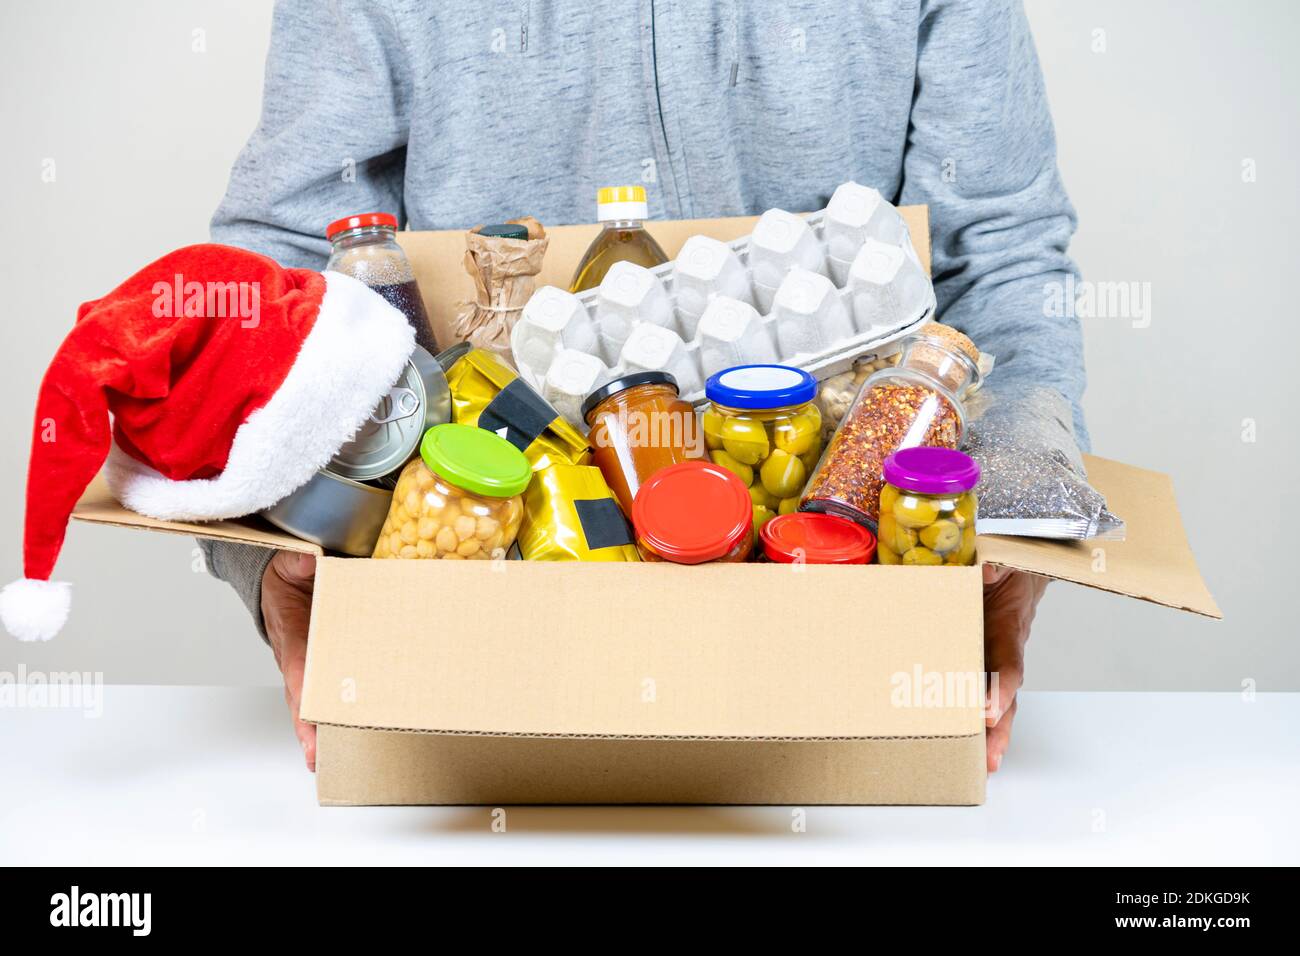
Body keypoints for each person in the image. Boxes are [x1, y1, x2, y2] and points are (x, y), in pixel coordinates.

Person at [206, 0, 1082, 773]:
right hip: (482, 675)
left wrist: (1011, 518)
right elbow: (276, 269)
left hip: (835, 666)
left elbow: (1000, 257)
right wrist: (264, 550)